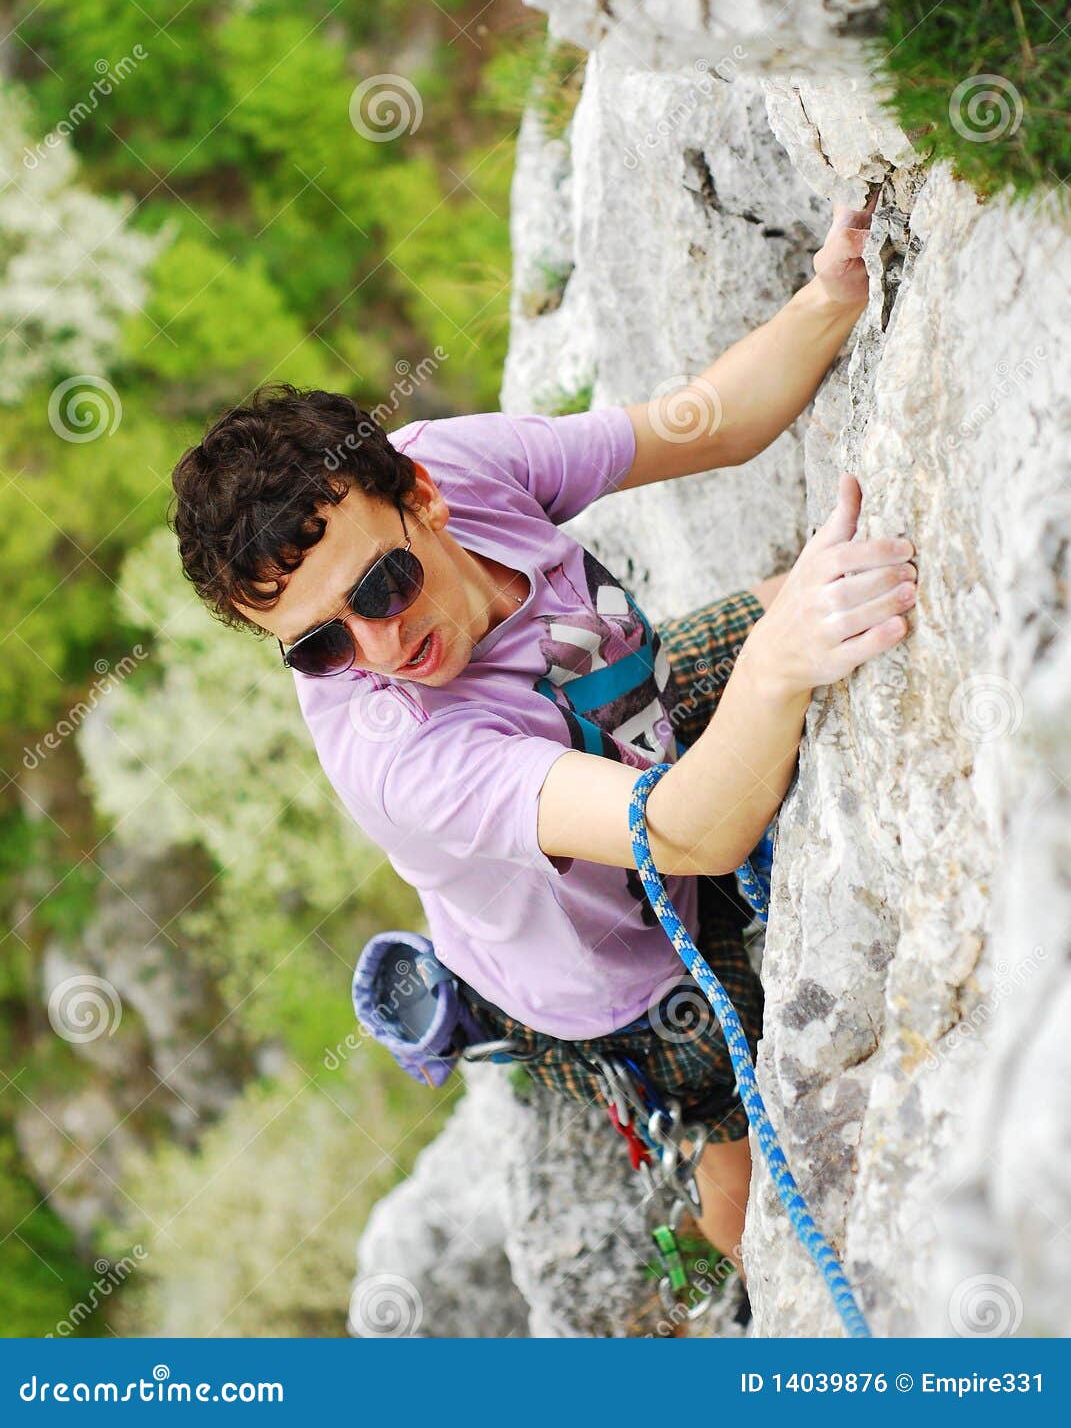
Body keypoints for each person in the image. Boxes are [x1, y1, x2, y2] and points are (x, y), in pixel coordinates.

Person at [169, 197, 917, 1284]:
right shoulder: (406, 756)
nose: (377, 645)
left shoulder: (454, 465)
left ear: (419, 496)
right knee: (726, 1085)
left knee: (799, 596)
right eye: (318, 644)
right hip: (609, 978)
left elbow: (707, 421)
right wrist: (781, 663)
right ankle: (712, 1286)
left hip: (626, 706)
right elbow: (689, 831)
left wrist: (832, 296)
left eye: (382, 583)